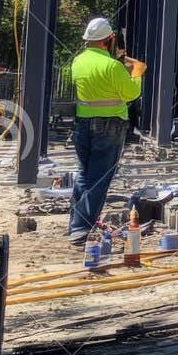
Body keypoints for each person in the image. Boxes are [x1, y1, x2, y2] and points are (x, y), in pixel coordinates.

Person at [69, 17, 145, 245]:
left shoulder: (78, 62)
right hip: (109, 125)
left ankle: (75, 224)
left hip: (83, 124)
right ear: (109, 39)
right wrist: (136, 73)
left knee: (84, 174)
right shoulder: (112, 66)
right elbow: (131, 94)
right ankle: (81, 229)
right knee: (99, 178)